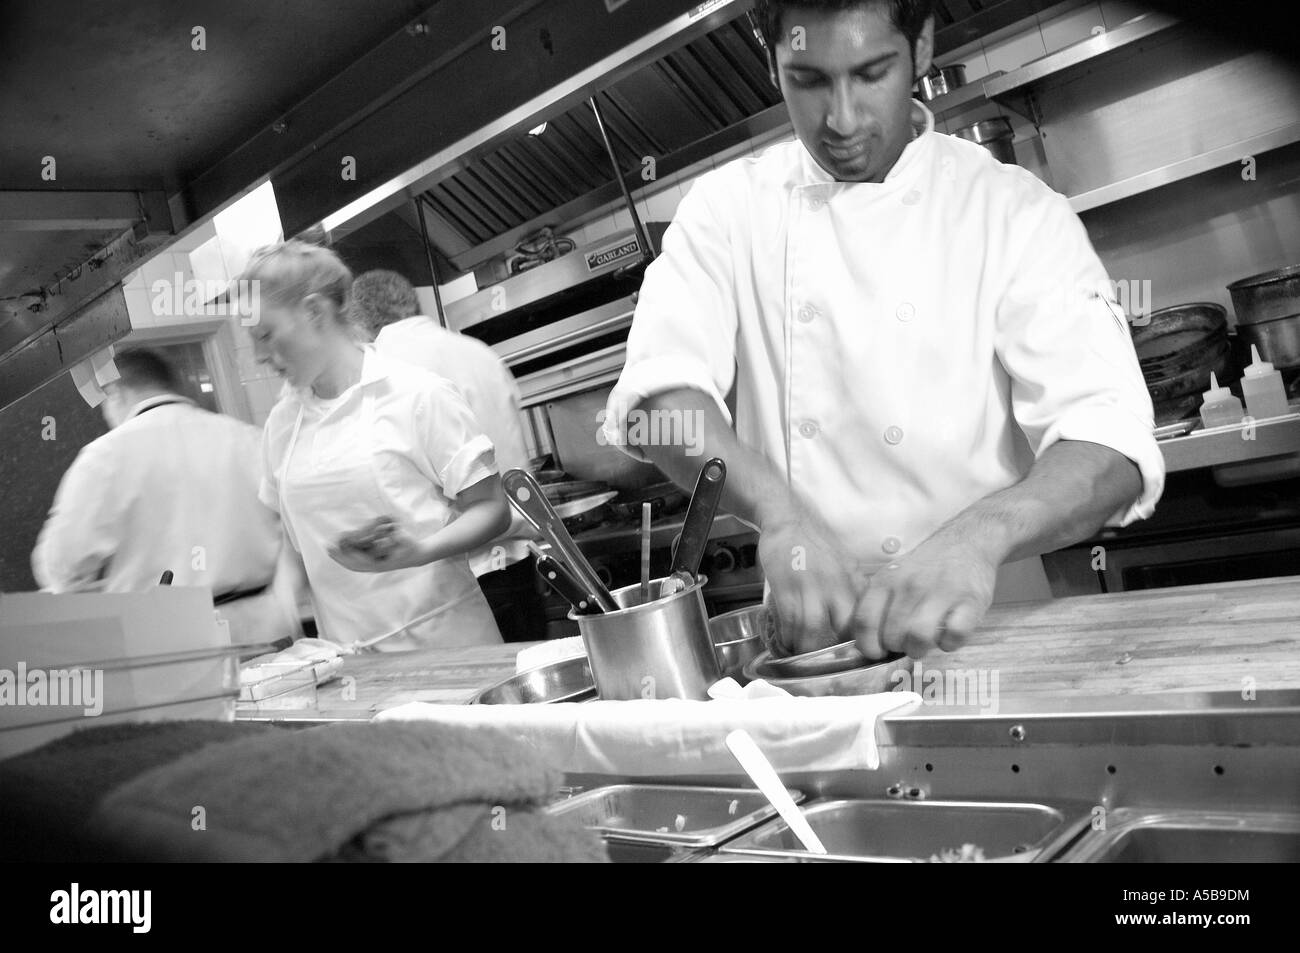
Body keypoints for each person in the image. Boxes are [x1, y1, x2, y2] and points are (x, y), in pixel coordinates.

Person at [604, 0, 1165, 660]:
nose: (842, 119)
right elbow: (657, 403)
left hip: (986, 622)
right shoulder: (727, 210)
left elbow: (1111, 441)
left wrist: (980, 534)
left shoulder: (1012, 211)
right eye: (808, 80)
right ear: (771, 61)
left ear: (922, 47)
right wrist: (782, 517)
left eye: (872, 73)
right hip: (813, 638)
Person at [245, 242, 512, 651]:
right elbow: (292, 541)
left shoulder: (417, 394)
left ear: (314, 312)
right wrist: (280, 603)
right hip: (351, 665)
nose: (259, 355)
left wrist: (419, 550)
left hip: (448, 648)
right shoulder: (282, 425)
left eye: (265, 334)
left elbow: (492, 508)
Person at [31, 347, 300, 646]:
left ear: (114, 392)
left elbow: (63, 565)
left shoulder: (106, 457)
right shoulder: (247, 437)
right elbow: (291, 529)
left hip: (168, 638)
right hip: (264, 625)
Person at [348, 270, 547, 643]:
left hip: (454, 582)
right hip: (520, 564)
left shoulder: (379, 373)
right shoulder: (479, 352)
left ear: (358, 324)